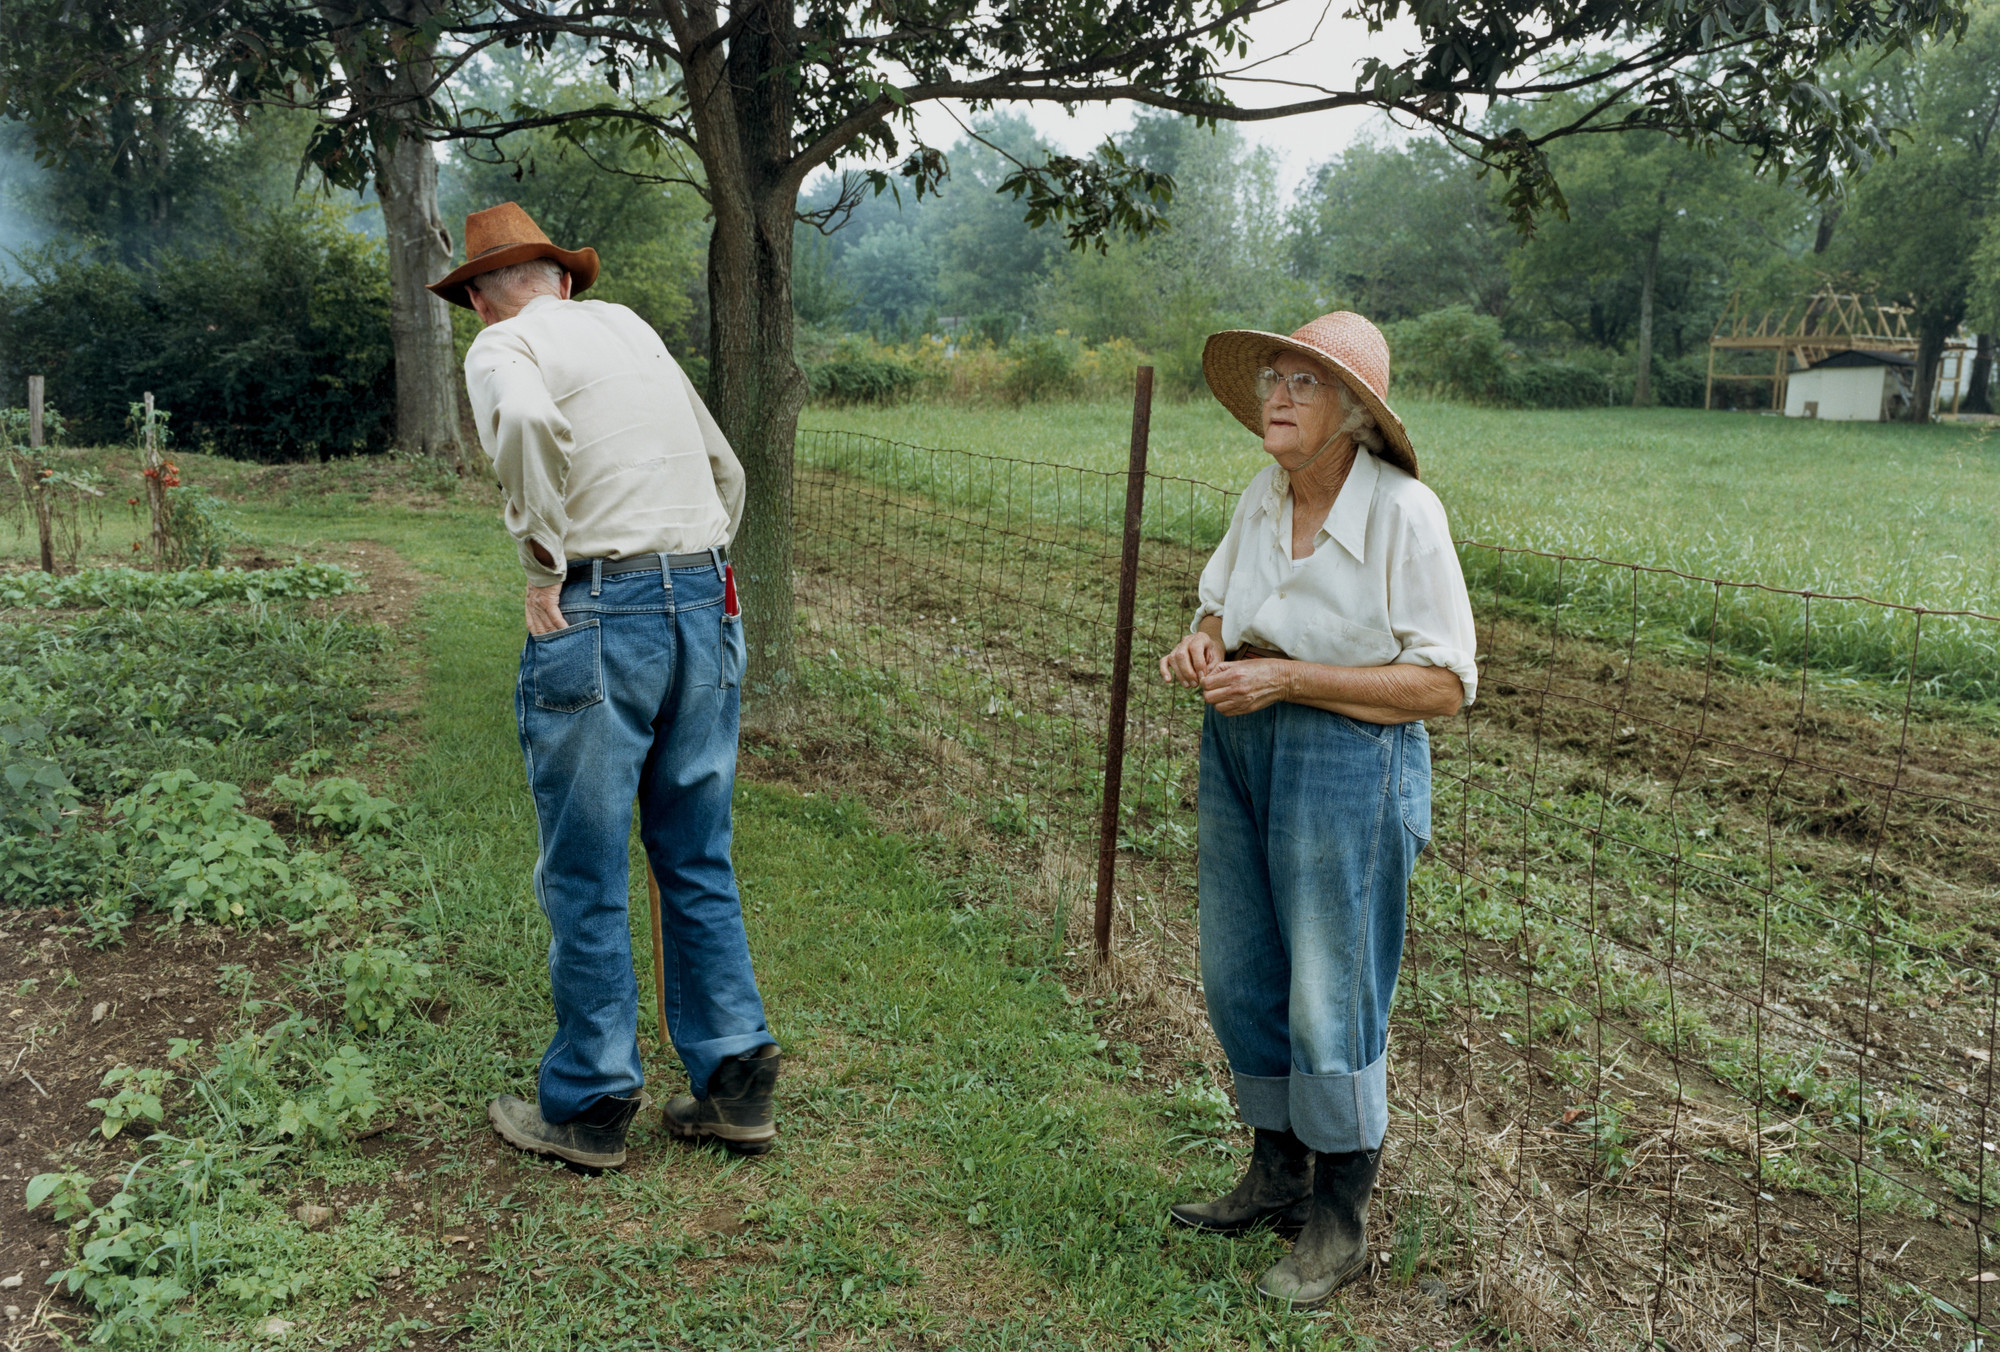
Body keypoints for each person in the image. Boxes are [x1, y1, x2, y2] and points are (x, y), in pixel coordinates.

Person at [428, 202, 780, 1169]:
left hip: (602, 608)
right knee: (696, 847)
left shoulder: (504, 351)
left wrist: (544, 561)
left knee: (585, 867)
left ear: (479, 301)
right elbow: (724, 466)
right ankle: (735, 1080)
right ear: (565, 279)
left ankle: (588, 1103)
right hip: (705, 598)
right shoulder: (628, 328)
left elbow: (532, 422)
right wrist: (699, 569)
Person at [1158, 312, 1478, 1307]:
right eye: (1272, 381)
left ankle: (1338, 1220)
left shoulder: (1402, 512)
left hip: (1347, 755)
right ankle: (1274, 1170)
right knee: (1240, 966)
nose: (1278, 397)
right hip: (1241, 741)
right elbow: (1219, 603)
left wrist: (1287, 679)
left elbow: (1442, 684)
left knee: (1329, 989)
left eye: (1303, 382)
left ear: (1354, 413)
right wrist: (1201, 646)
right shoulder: (1264, 493)